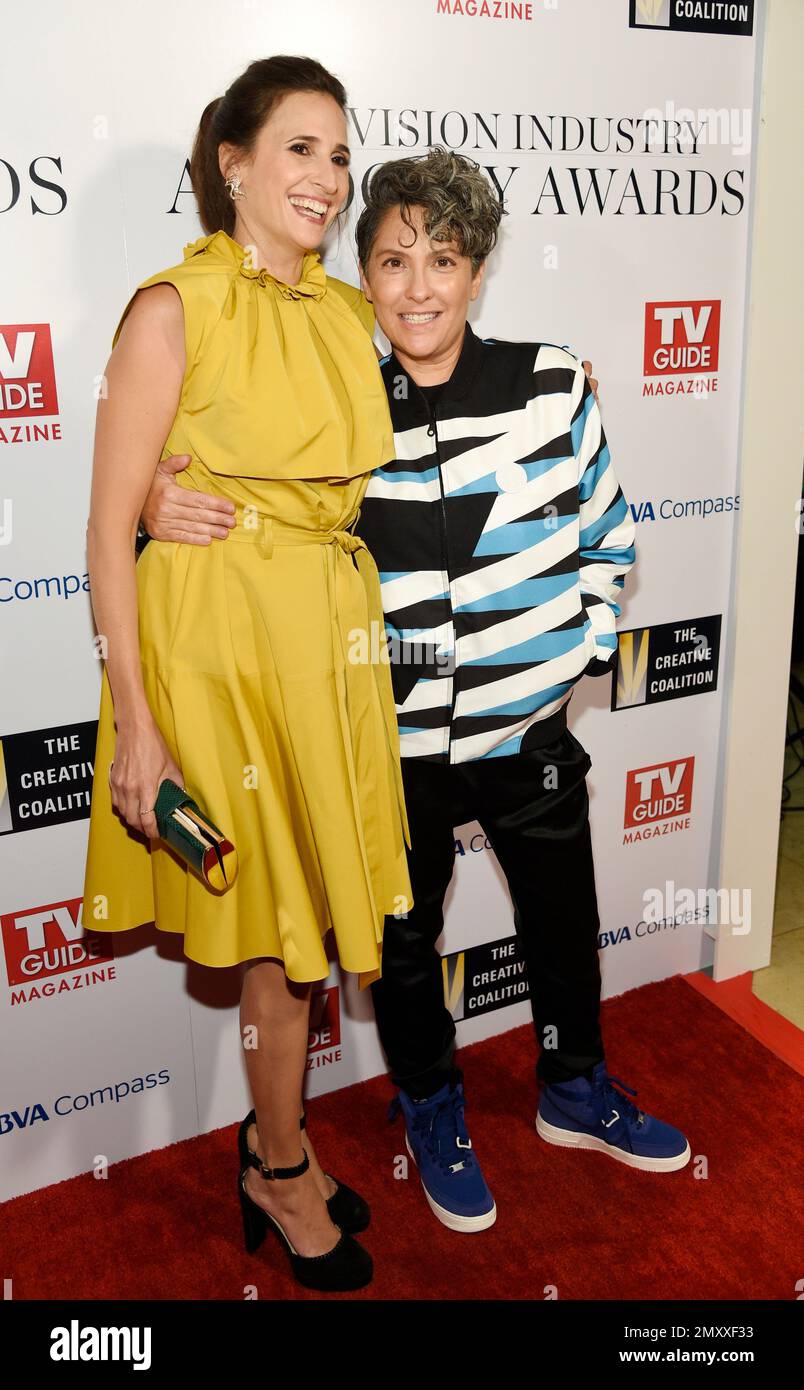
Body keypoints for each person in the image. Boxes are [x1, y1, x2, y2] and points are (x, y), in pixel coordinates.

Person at [140, 146, 690, 1239]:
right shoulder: (333, 397)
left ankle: (574, 1088)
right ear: (366, 272)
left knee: (563, 919)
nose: (418, 286)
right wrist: (159, 492)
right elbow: (227, 462)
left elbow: (609, 537)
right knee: (400, 945)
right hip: (383, 746)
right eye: (392, 261)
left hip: (526, 735)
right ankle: (431, 1108)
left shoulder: (551, 379)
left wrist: (571, 656)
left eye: (443, 258)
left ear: (479, 268)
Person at [81, 56, 413, 1293]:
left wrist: (566, 376)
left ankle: (284, 1141)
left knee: (308, 924)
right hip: (216, 657)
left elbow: (438, 346)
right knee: (276, 937)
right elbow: (107, 526)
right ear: (233, 162)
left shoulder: (342, 310)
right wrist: (139, 733)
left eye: (340, 152)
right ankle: (276, 1165)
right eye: (301, 149)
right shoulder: (172, 307)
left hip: (321, 645)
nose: (328, 177)